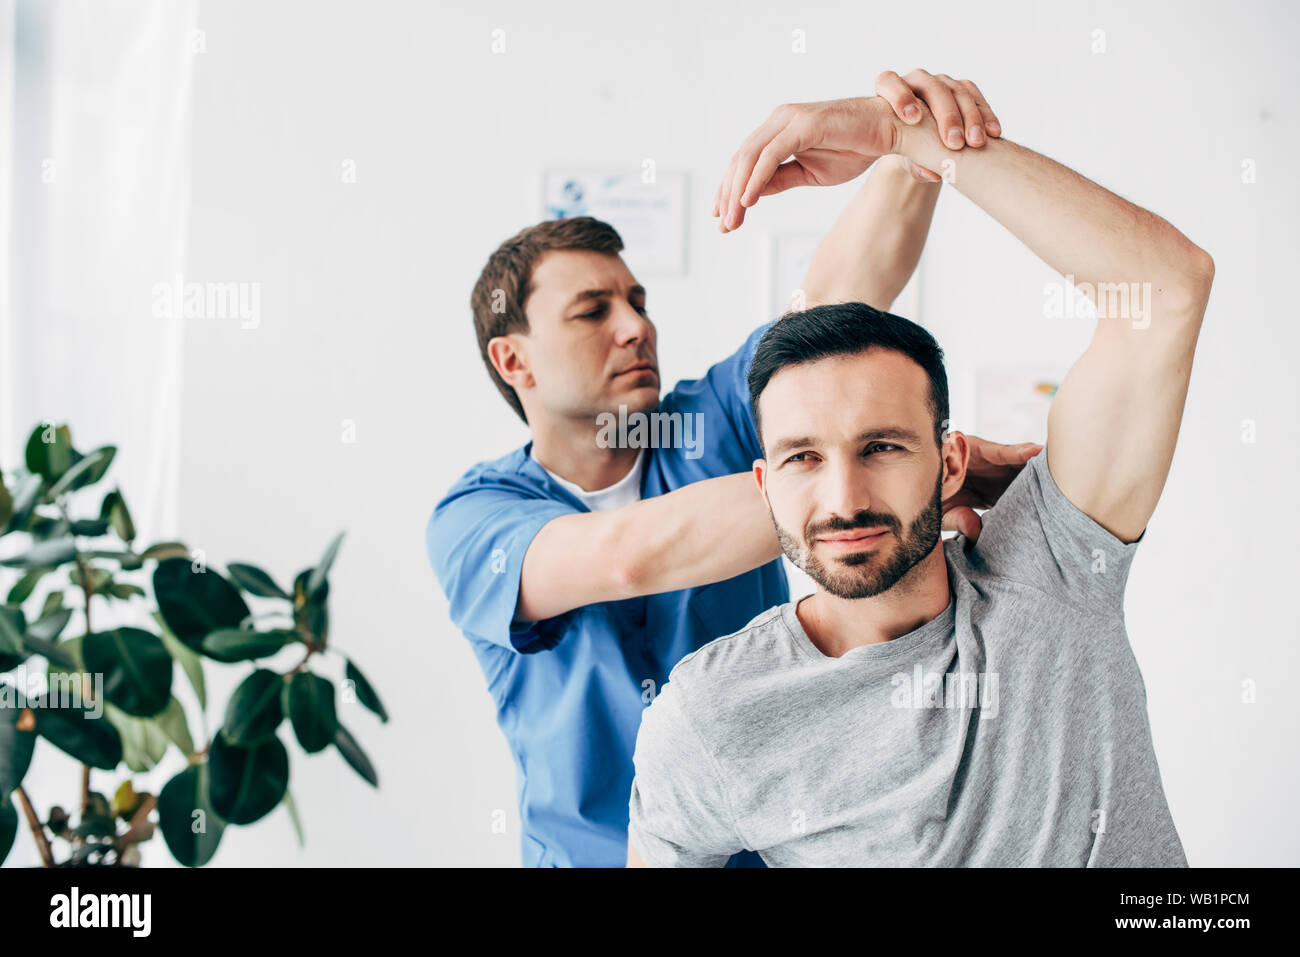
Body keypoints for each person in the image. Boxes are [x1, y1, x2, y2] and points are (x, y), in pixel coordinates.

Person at [427, 71, 1039, 867]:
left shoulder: (708, 419)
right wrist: (905, 477)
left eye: (637, 300)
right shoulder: (475, 517)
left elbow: (838, 300)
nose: (635, 326)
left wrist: (906, 137)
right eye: (594, 310)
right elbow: (627, 553)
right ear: (514, 359)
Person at [626, 77, 1213, 867]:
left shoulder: (1057, 569)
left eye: (883, 446)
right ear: (766, 486)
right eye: (804, 457)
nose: (844, 499)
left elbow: (1166, 287)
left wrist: (907, 140)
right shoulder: (711, 715)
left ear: (950, 462)